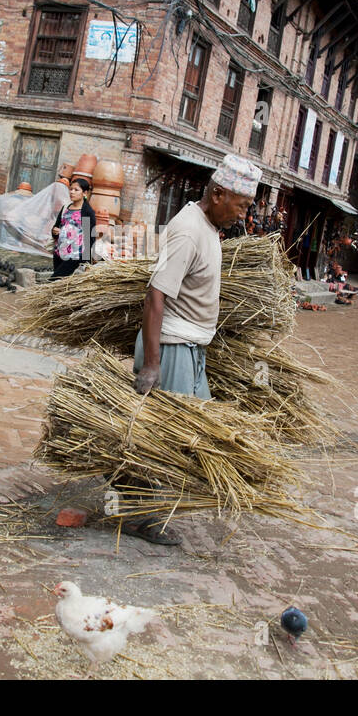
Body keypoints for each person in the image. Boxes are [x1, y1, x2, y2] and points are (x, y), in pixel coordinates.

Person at [130, 153, 258, 545]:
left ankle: (127, 488)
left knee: (190, 430)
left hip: (190, 349)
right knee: (173, 437)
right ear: (218, 194)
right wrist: (152, 365)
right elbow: (155, 296)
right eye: (241, 205)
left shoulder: (207, 227)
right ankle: (146, 517)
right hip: (171, 349)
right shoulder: (187, 230)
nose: (243, 214)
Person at [51, 177, 97, 279]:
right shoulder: (65, 208)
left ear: (84, 193)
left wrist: (86, 260)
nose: (72, 192)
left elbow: (90, 237)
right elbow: (57, 226)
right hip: (59, 252)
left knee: (53, 280)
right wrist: (54, 231)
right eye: (71, 189)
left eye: (76, 190)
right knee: (60, 284)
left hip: (75, 255)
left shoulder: (86, 212)